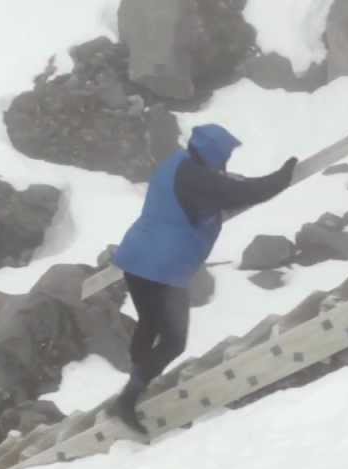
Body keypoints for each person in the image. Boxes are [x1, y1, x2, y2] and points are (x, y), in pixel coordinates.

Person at [111, 123, 298, 435]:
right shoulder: (196, 178)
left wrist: (226, 183)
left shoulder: (180, 164)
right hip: (161, 268)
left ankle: (137, 382)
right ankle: (129, 398)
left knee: (148, 323)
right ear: (214, 154)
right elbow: (244, 193)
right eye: (225, 155)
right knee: (173, 339)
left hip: (138, 257)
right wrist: (283, 175)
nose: (226, 161)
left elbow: (218, 189)